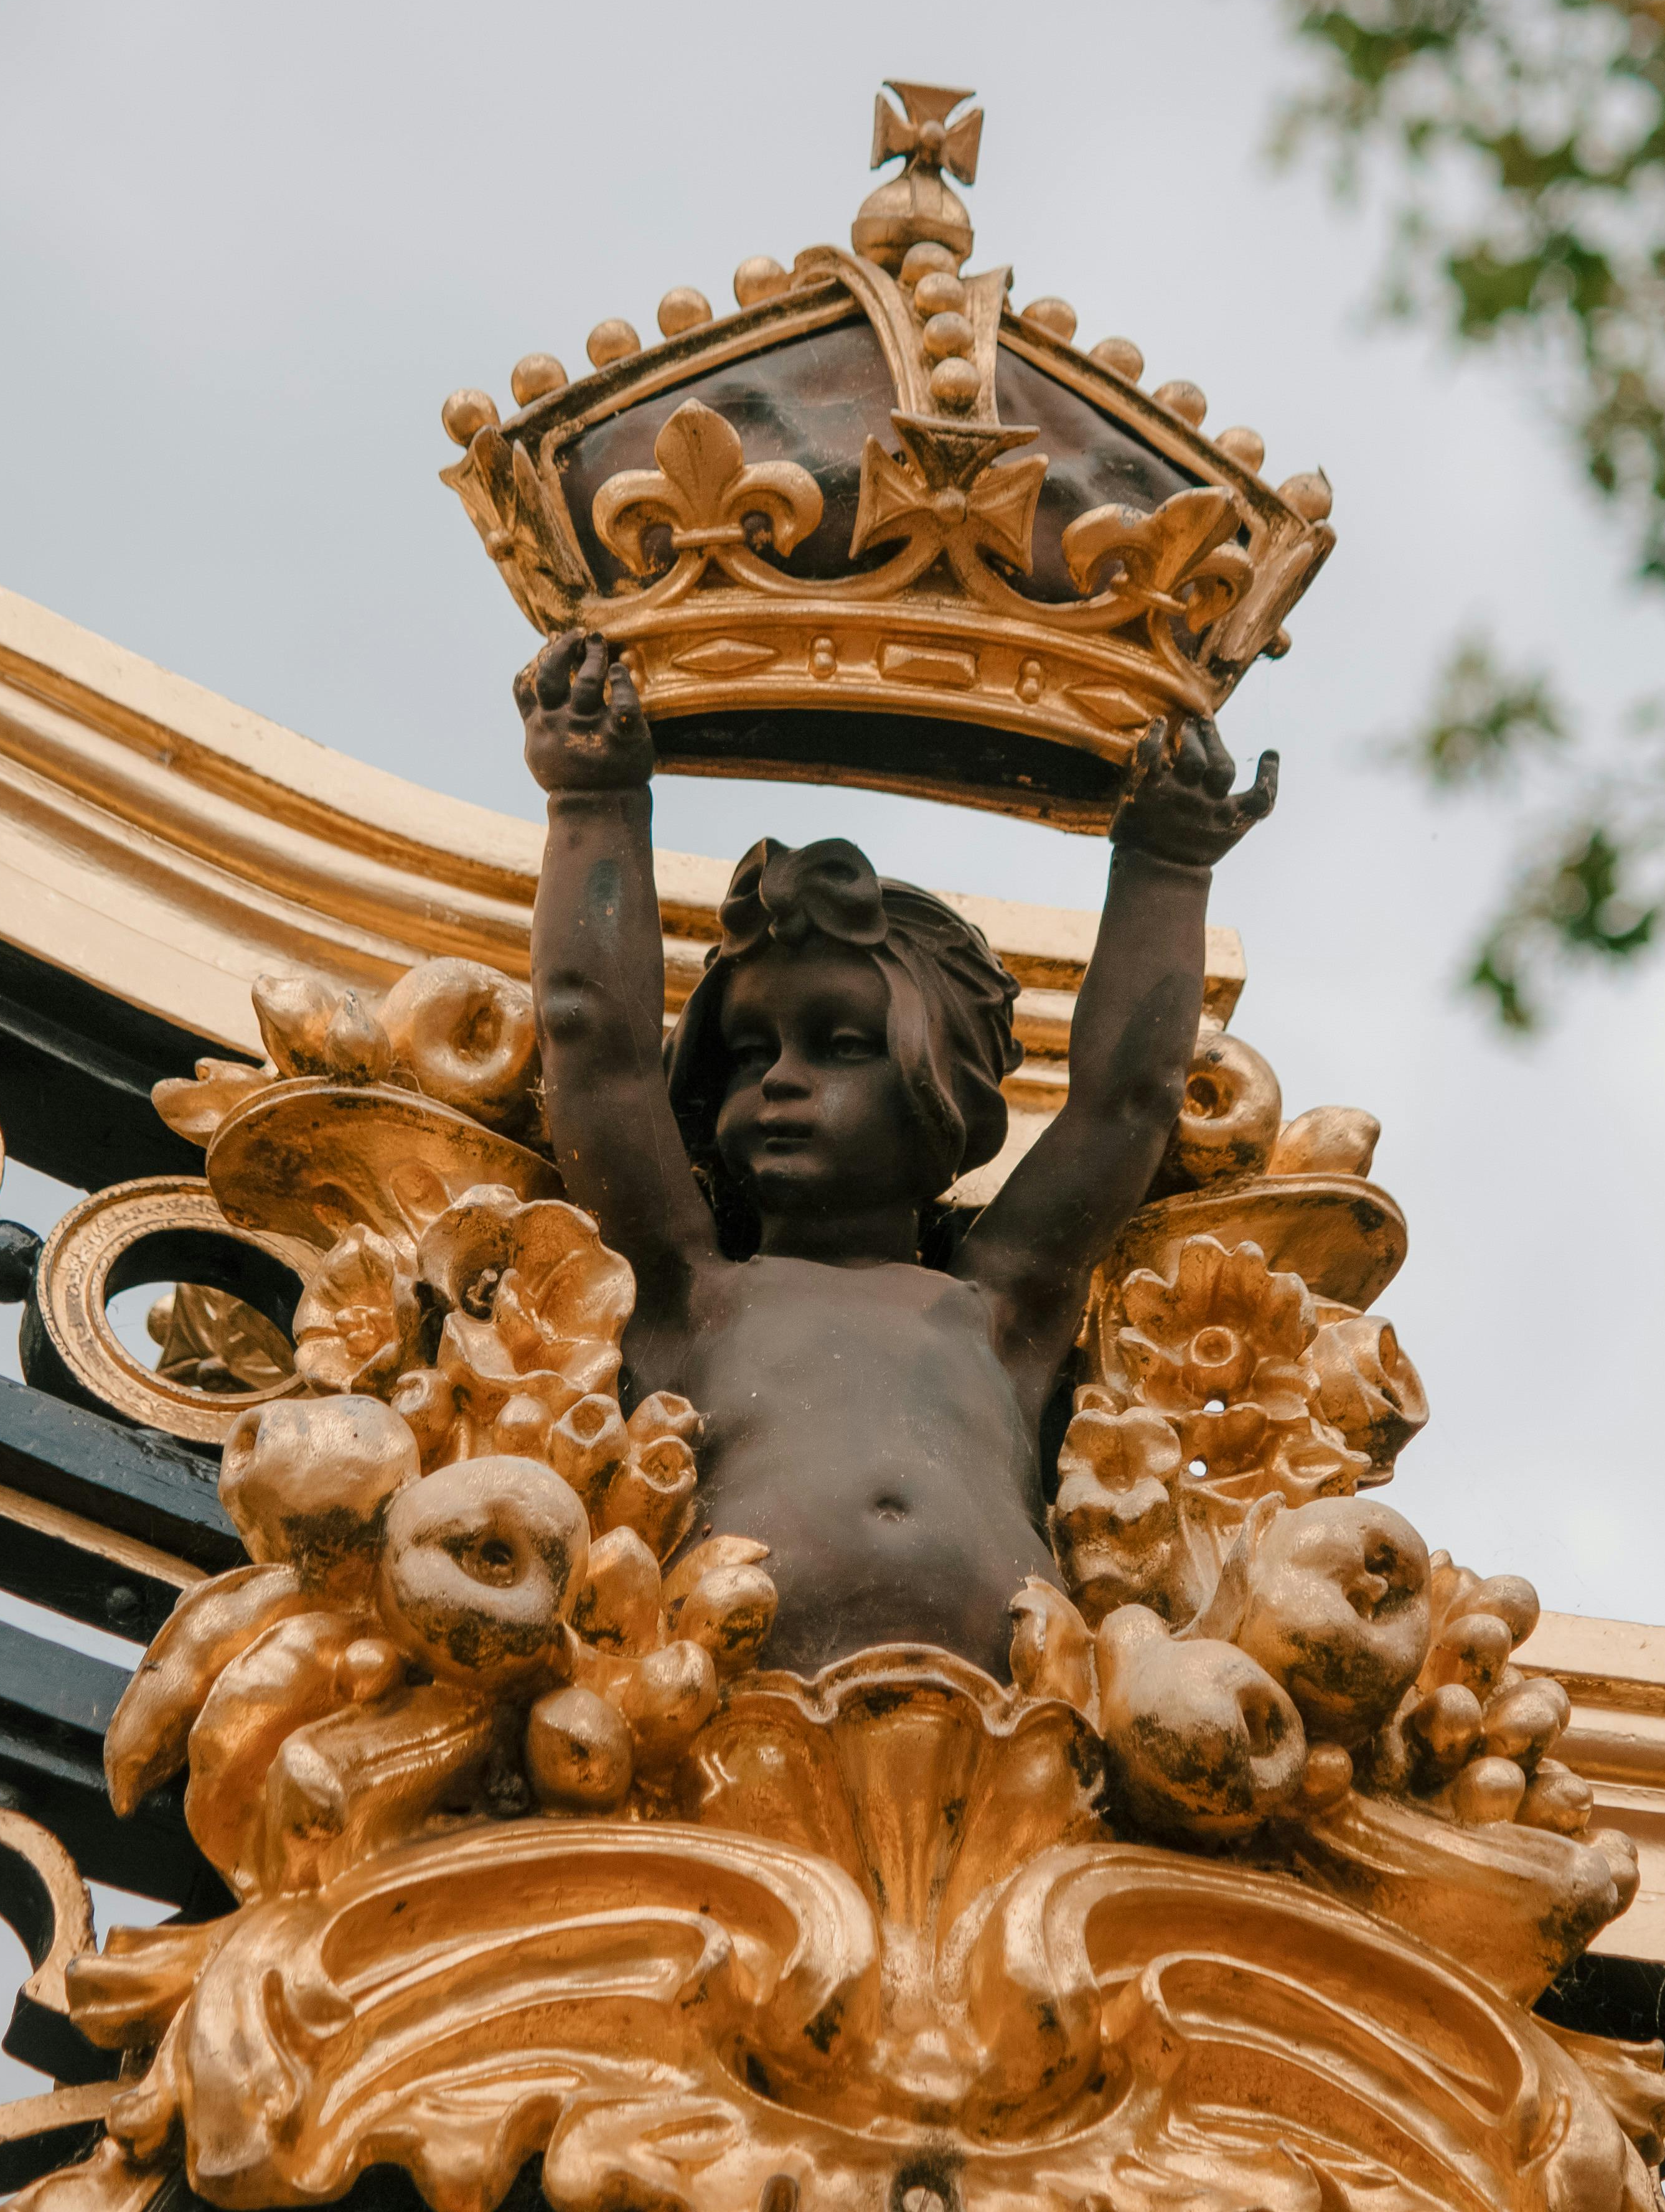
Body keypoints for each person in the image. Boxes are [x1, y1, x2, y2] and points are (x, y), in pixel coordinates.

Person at [517, 632, 1277, 1679]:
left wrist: (1166, 865)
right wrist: (596, 798)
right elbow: (593, 1050)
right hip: (733, 1705)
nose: (779, 1081)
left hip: (1014, 1729)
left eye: (840, 1047)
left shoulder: (1001, 1310)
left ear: (946, 1088)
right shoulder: (689, 1294)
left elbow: (1125, 1108)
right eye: (748, 1055)